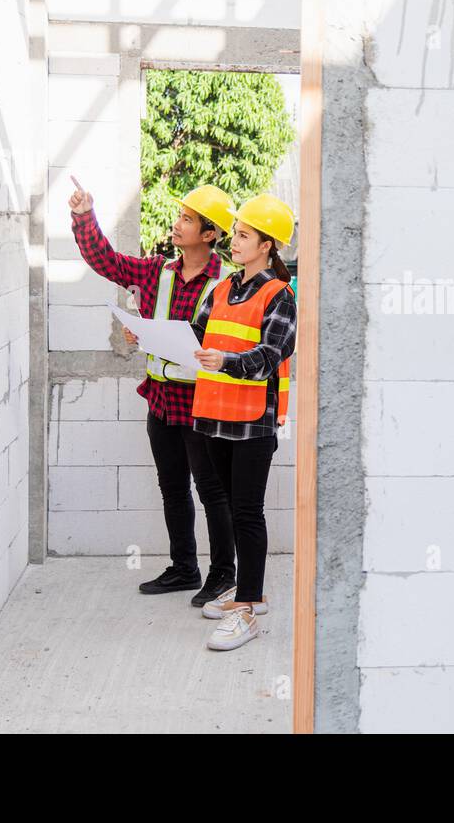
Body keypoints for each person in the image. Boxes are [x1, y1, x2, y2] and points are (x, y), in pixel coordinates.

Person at [67, 175, 238, 607]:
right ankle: (185, 568)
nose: (177, 224)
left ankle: (223, 576)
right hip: (162, 399)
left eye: (187, 219)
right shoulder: (157, 270)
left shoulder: (228, 285)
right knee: (172, 487)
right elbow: (105, 262)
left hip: (202, 404)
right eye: (179, 217)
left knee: (212, 490)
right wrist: (84, 215)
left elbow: (235, 343)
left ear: (210, 233)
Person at [189, 194, 297, 652]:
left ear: (267, 246)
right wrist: (154, 337)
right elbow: (196, 335)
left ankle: (248, 607)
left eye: (245, 236)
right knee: (230, 505)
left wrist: (226, 360)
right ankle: (247, 589)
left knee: (248, 511)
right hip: (213, 414)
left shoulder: (280, 296)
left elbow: (271, 355)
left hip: (253, 423)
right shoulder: (220, 289)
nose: (235, 241)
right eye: (236, 234)